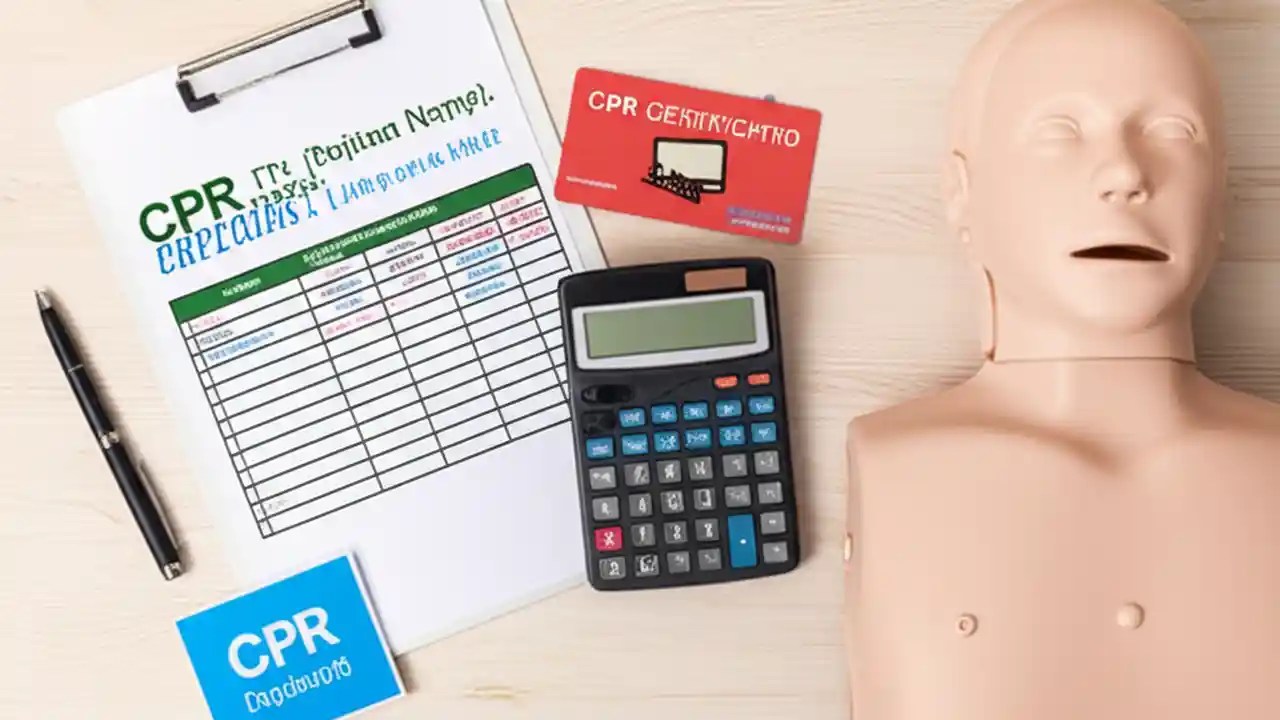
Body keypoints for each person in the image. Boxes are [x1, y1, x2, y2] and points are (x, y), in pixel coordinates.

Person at [843, 1, 1280, 717]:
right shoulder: (892, 459)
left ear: (1224, 200)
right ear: (962, 193)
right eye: (1061, 131)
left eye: (1173, 130)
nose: (1124, 174)